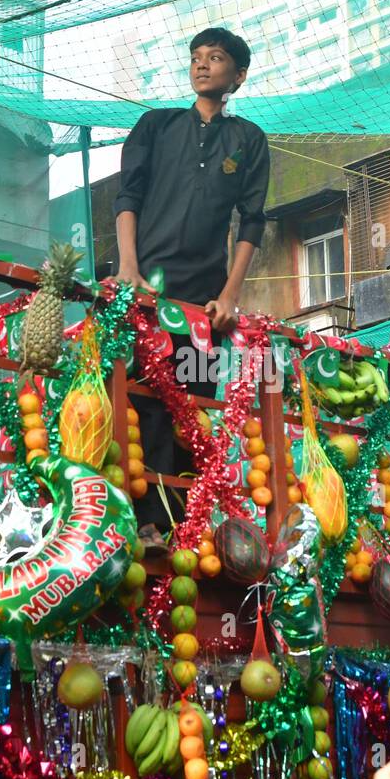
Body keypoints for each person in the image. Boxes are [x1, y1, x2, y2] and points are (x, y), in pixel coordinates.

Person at [112, 27, 270, 553]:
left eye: (216, 58)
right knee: (143, 402)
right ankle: (144, 524)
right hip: (146, 290)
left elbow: (251, 222)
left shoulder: (248, 140)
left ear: (238, 75)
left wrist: (229, 296)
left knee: (193, 405)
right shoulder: (155, 126)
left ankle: (188, 526)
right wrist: (129, 268)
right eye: (196, 58)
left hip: (203, 303)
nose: (202, 66)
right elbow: (127, 195)